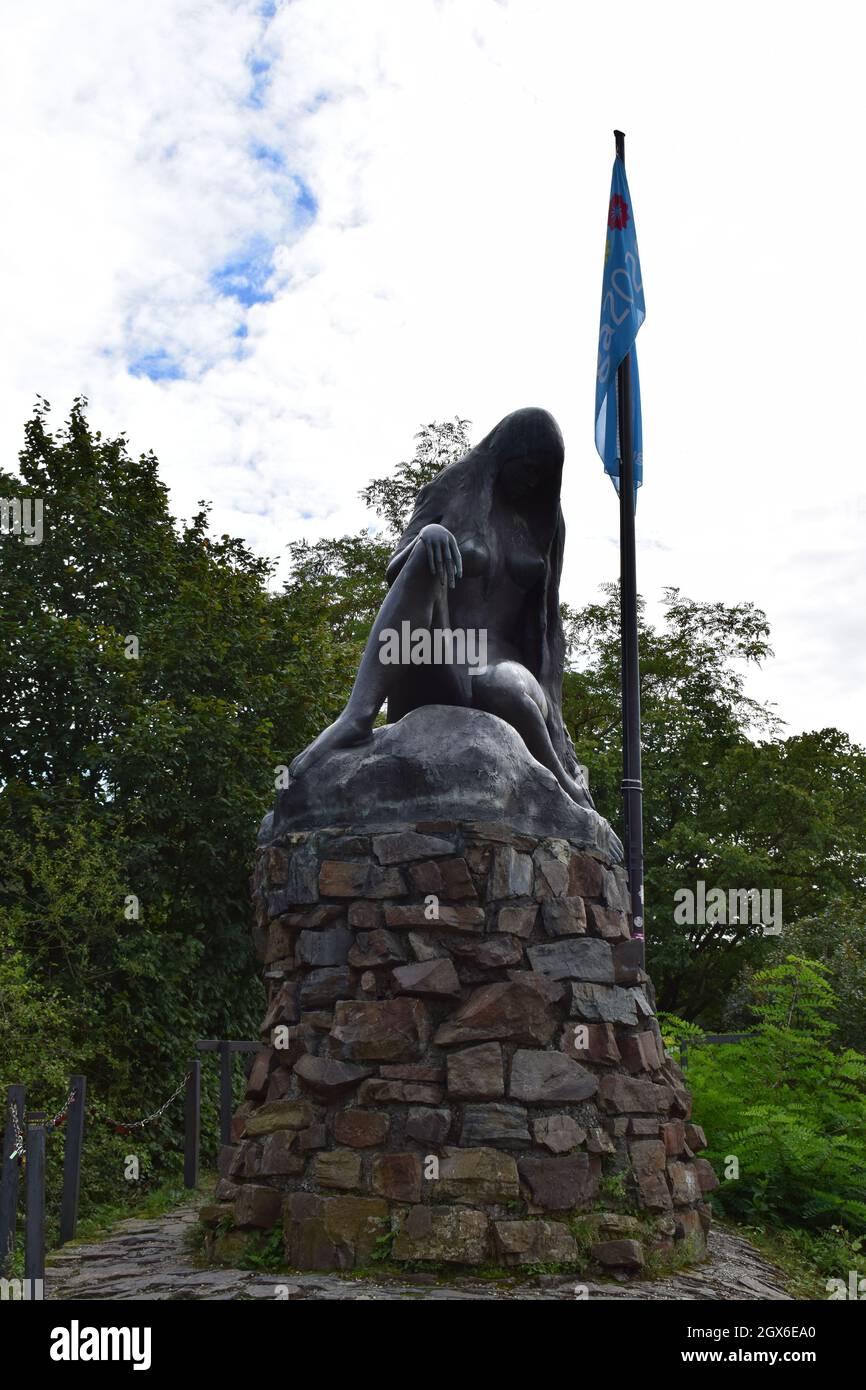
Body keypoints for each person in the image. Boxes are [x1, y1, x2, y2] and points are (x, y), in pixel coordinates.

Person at [290, 406, 593, 811]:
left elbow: (549, 623)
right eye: (526, 465)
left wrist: (556, 720)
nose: (532, 479)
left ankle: (562, 784)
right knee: (427, 548)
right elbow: (399, 572)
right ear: (505, 452)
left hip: (505, 664)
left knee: (501, 686)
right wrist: (428, 538)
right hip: (440, 654)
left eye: (543, 472)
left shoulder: (547, 523)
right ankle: (357, 716)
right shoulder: (453, 488)